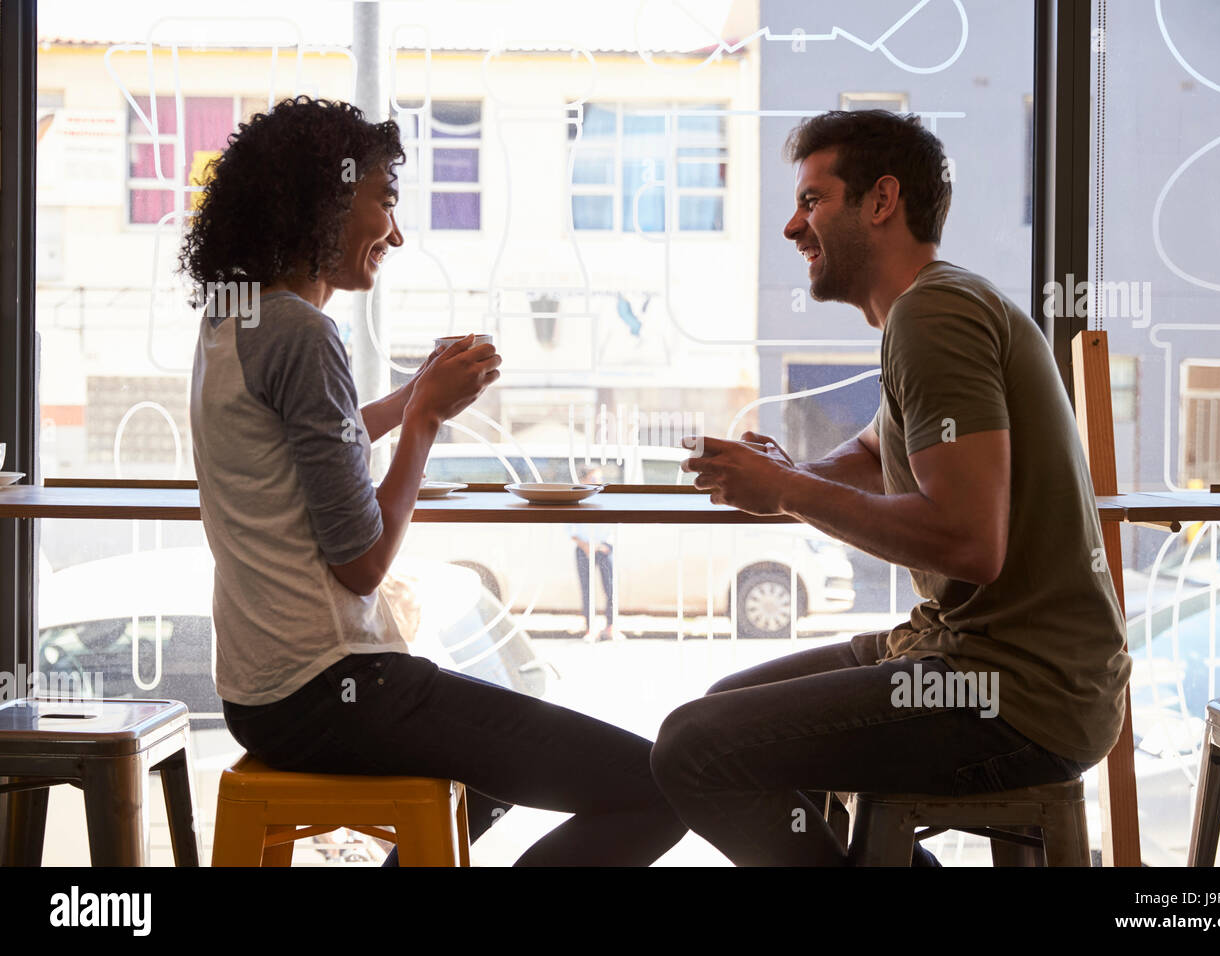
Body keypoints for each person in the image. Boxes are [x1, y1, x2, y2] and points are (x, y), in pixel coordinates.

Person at [183, 96, 684, 866]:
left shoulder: (233, 318)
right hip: (333, 686)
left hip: (261, 696)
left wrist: (414, 394)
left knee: (492, 763)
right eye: (385, 201)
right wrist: (425, 422)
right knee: (656, 785)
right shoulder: (303, 334)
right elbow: (362, 564)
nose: (398, 231)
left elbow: (306, 447)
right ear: (324, 199)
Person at [650, 110, 1132, 866]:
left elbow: (971, 543)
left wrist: (785, 492)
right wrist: (789, 473)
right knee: (717, 715)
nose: (791, 227)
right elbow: (877, 453)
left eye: (813, 201)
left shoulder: (931, 317)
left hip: (1012, 693)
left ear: (880, 201)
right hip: (969, 658)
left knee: (694, 750)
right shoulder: (935, 308)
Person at [567, 465, 622, 642]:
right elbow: (571, 529)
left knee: (611, 588)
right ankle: (590, 629)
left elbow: (615, 523)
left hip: (605, 549)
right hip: (584, 550)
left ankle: (611, 626)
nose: (597, 483)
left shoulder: (607, 499)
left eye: (599, 479)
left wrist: (605, 545)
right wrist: (586, 546)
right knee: (587, 590)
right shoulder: (575, 499)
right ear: (583, 481)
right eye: (593, 479)